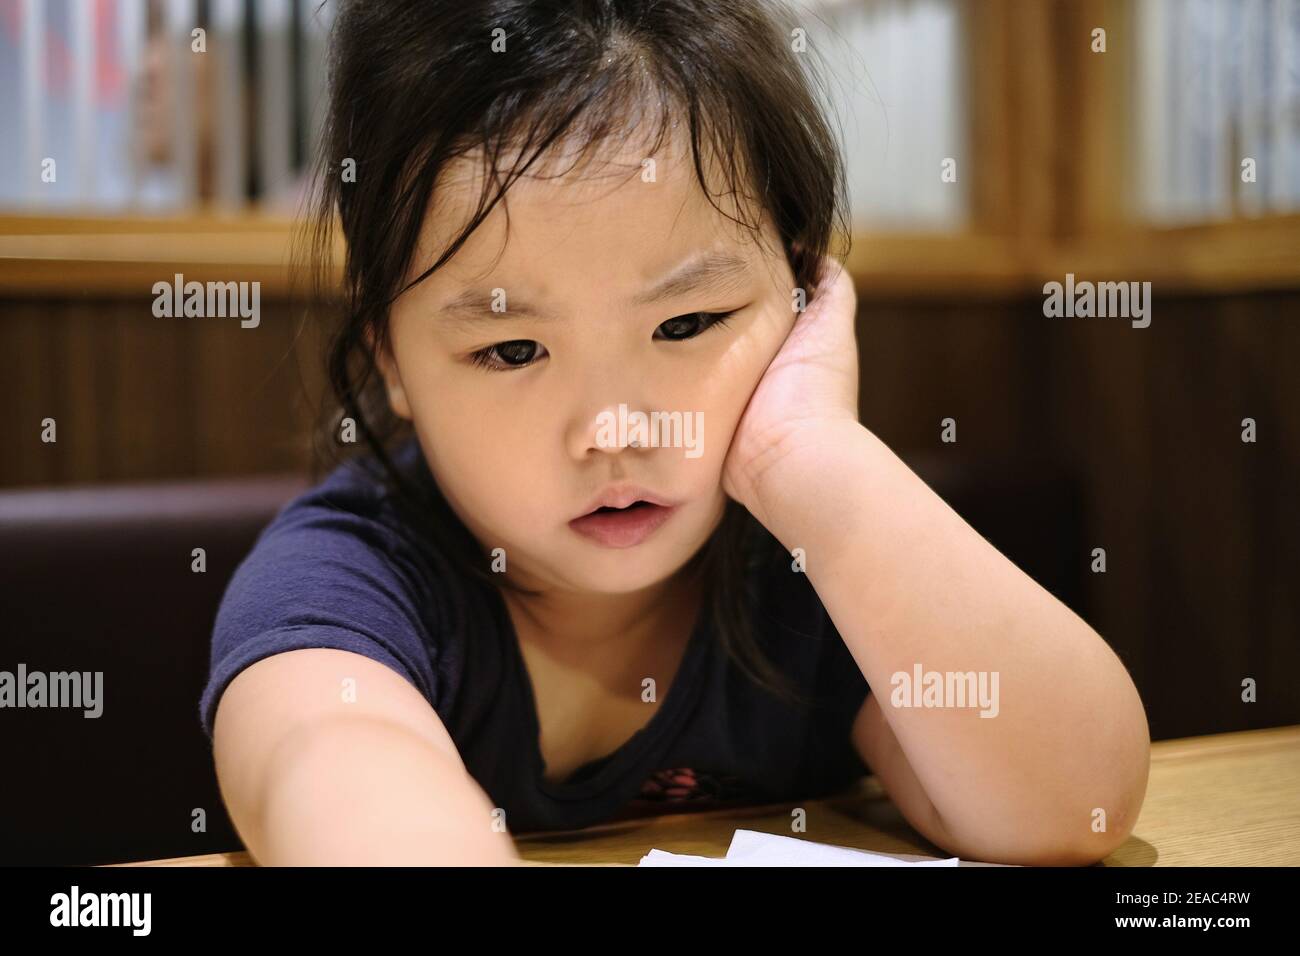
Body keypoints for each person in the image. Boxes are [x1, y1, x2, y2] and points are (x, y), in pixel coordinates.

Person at [200, 0, 1149, 866]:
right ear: (393, 362)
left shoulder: (813, 564)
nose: (613, 430)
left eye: (687, 325)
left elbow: (1076, 807)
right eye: (513, 348)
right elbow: (337, 773)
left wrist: (804, 459)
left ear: (802, 296)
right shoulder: (345, 582)